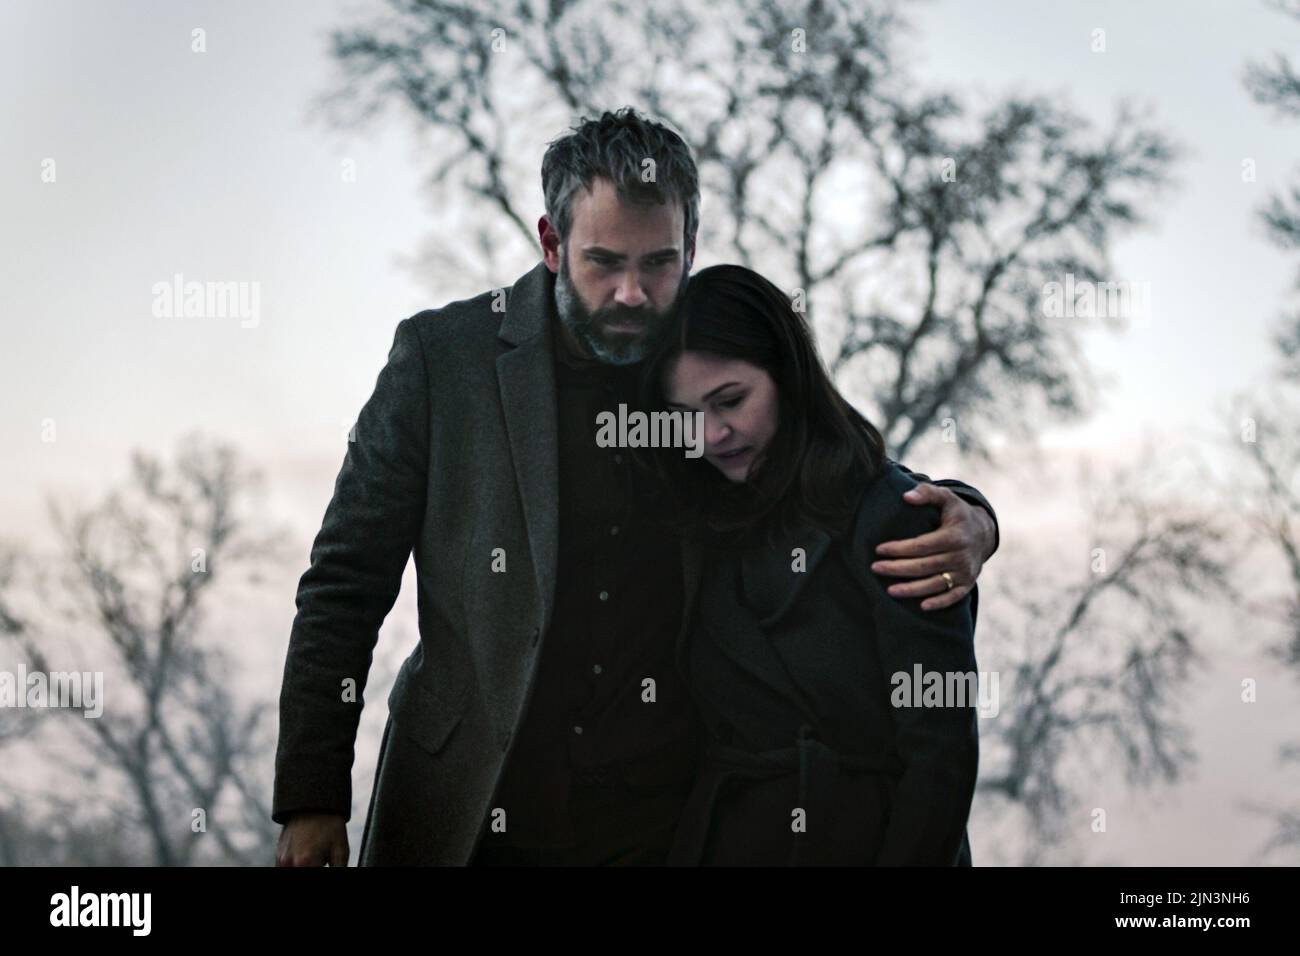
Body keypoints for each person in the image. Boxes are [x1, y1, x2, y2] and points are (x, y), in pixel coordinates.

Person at [272, 108, 999, 867]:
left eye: (658, 263)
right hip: (471, 803)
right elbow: (344, 581)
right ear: (551, 243)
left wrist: (972, 516)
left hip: (664, 824)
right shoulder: (441, 357)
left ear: (692, 246)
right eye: (604, 262)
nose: (632, 293)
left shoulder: (698, 361)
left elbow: (823, 464)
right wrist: (313, 795)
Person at [635, 264, 980, 865]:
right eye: (689, 417)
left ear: (788, 375)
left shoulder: (892, 516)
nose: (714, 435)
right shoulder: (693, 525)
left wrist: (979, 518)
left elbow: (941, 757)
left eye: (732, 401)